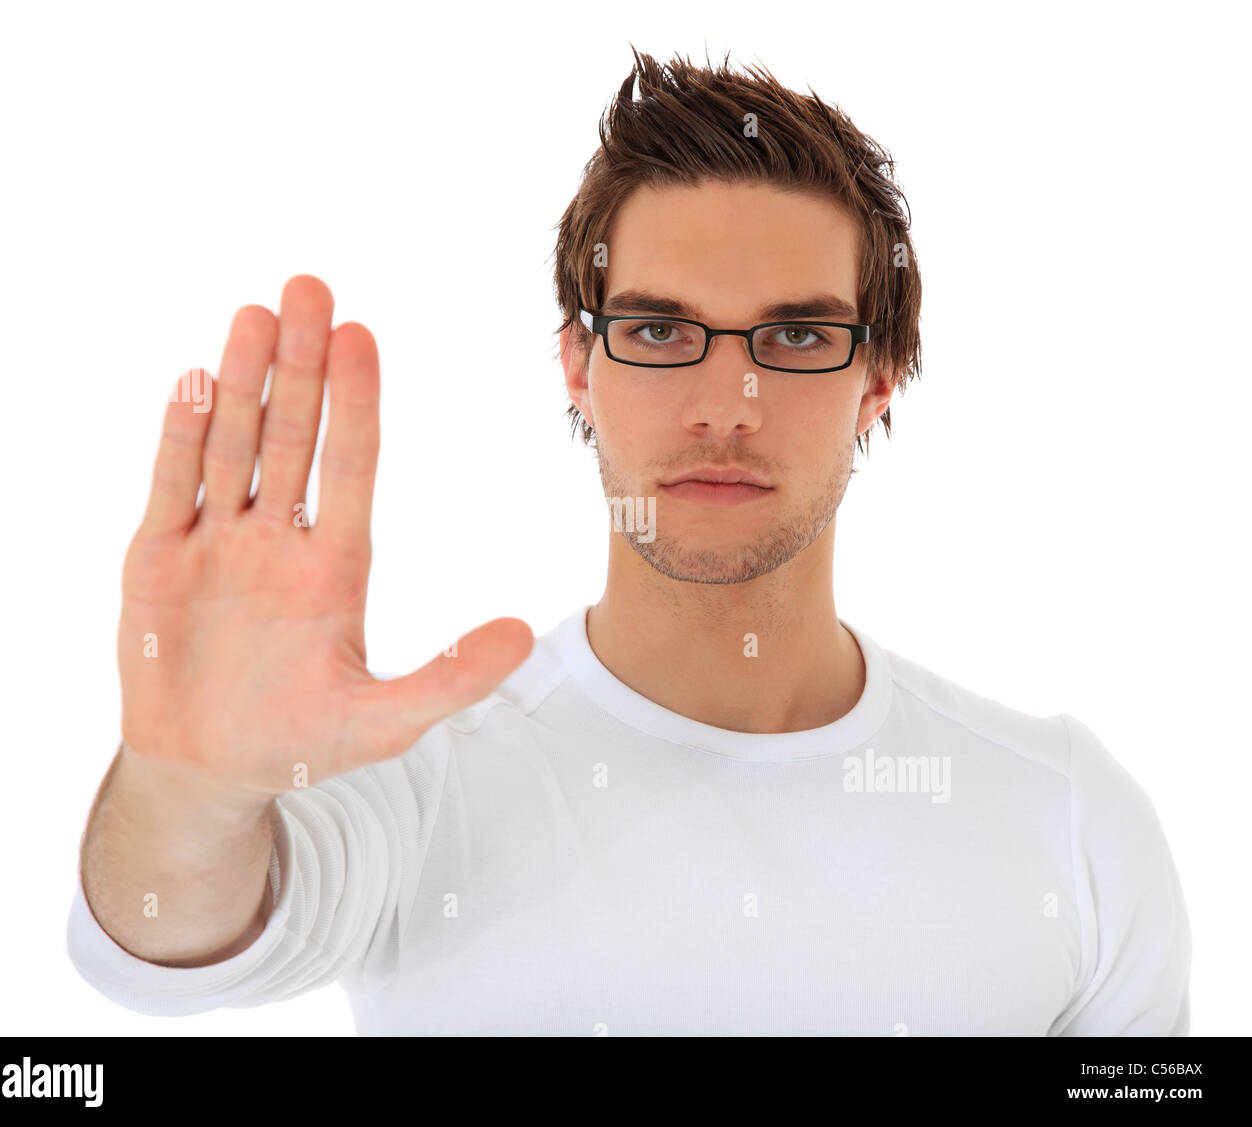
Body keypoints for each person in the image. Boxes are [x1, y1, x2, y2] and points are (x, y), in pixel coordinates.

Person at [67, 49, 1191, 1035]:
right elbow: (161, 943)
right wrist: (187, 787)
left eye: (797, 333)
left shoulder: (1070, 816)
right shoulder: (417, 780)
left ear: (876, 382)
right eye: (659, 329)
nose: (725, 402)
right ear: (577, 366)